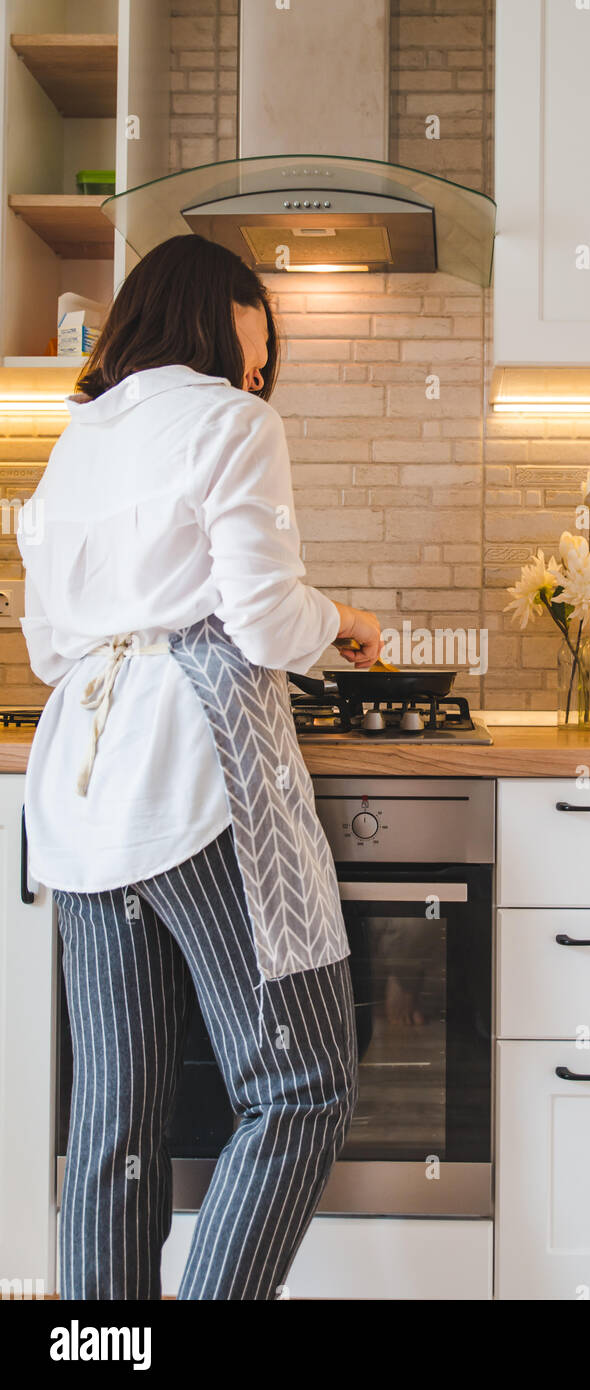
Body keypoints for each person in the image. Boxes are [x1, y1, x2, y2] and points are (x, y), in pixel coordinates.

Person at [16, 233, 381, 1300]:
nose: (260, 374)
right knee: (299, 1082)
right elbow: (267, 623)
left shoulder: (76, 437)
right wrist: (347, 618)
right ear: (213, 315)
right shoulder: (233, 420)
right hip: (190, 780)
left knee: (112, 1121)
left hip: (82, 797)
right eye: (256, 346)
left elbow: (47, 650)